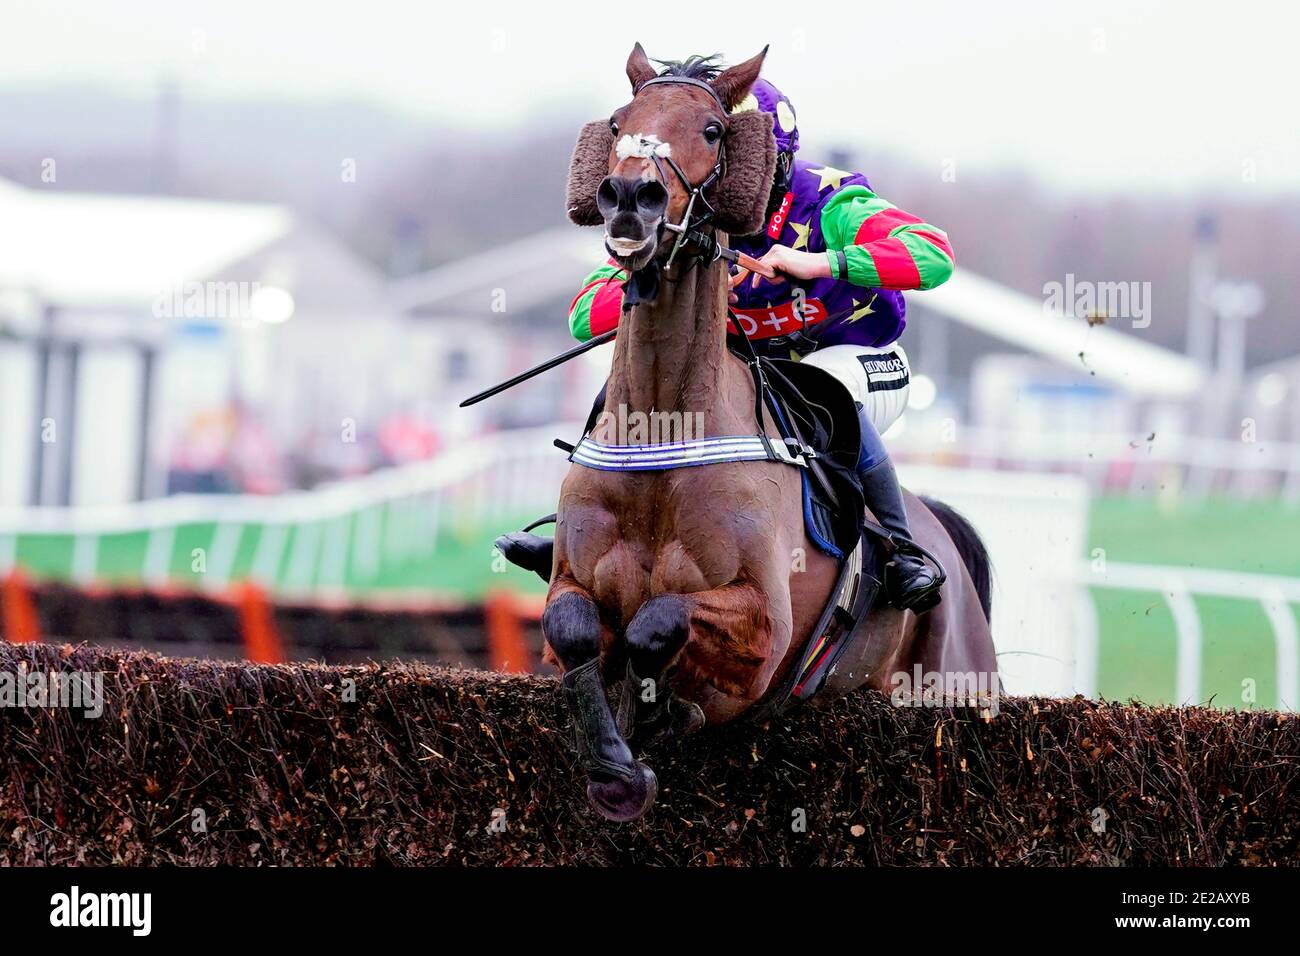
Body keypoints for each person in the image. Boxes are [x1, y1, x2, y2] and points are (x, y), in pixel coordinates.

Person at [499, 70, 955, 613]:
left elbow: (934, 254)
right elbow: (584, 317)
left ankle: (904, 550)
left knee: (826, 391)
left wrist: (817, 262)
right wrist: (658, 280)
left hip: (857, 356)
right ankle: (573, 534)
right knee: (624, 388)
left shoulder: (830, 202)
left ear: (773, 163)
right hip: (756, 369)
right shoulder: (691, 222)